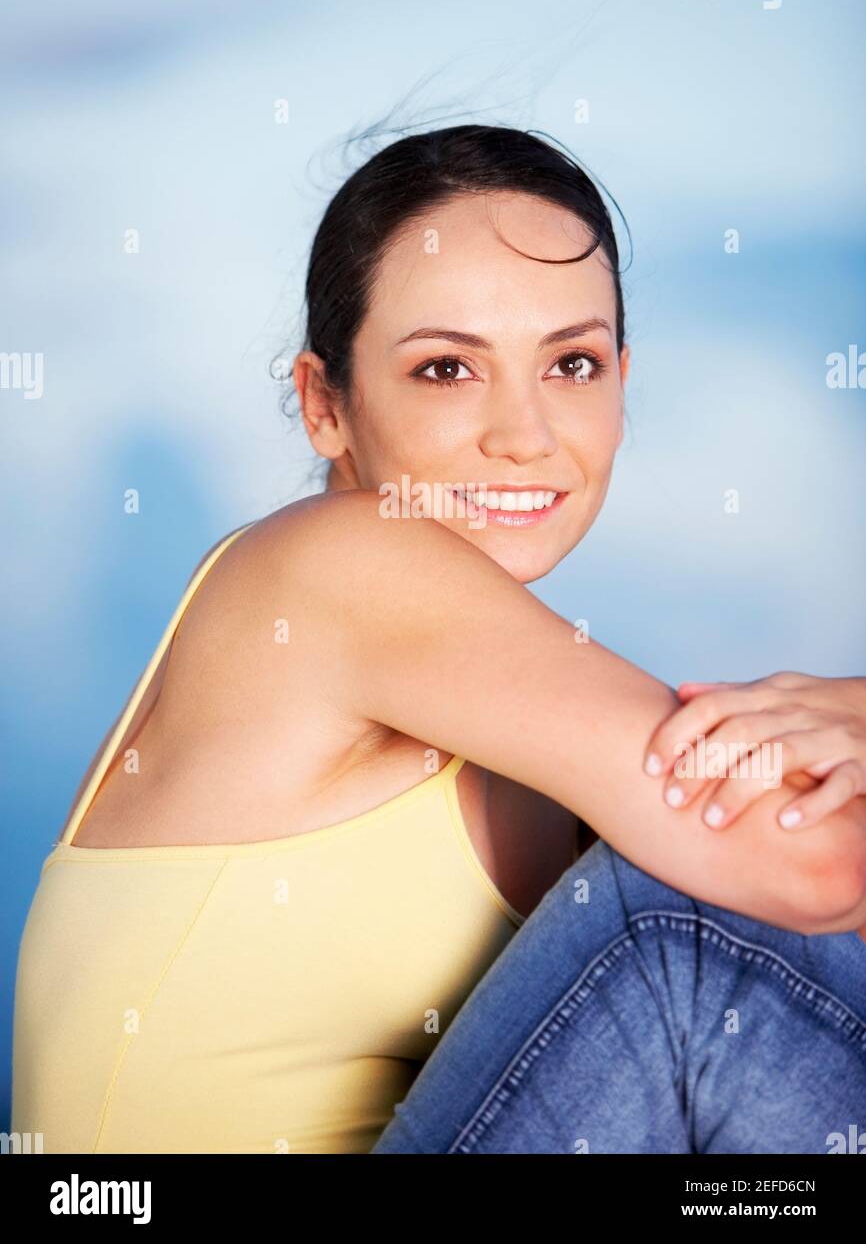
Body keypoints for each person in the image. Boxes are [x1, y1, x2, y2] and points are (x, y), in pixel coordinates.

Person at [11, 125, 866, 1154]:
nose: (525, 433)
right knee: (682, 919)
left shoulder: (508, 721)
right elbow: (815, 868)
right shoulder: (340, 566)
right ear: (323, 405)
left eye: (572, 363)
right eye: (447, 368)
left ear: (622, 380)